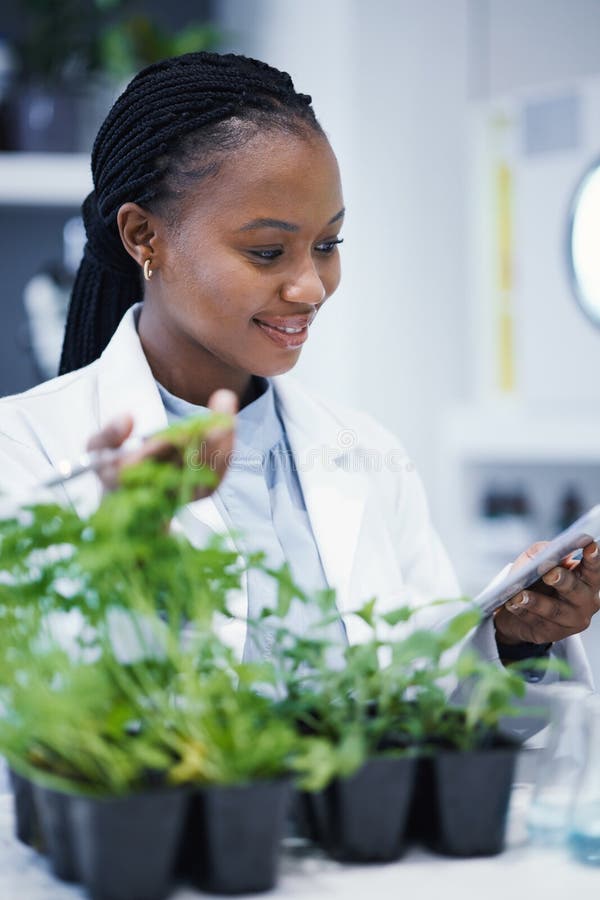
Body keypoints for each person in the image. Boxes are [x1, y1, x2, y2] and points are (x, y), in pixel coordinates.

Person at [0, 52, 597, 713]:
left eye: (328, 244)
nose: (310, 287)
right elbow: (35, 731)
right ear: (146, 237)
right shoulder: (23, 454)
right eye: (266, 252)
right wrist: (130, 561)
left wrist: (512, 639)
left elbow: (423, 703)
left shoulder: (365, 452)